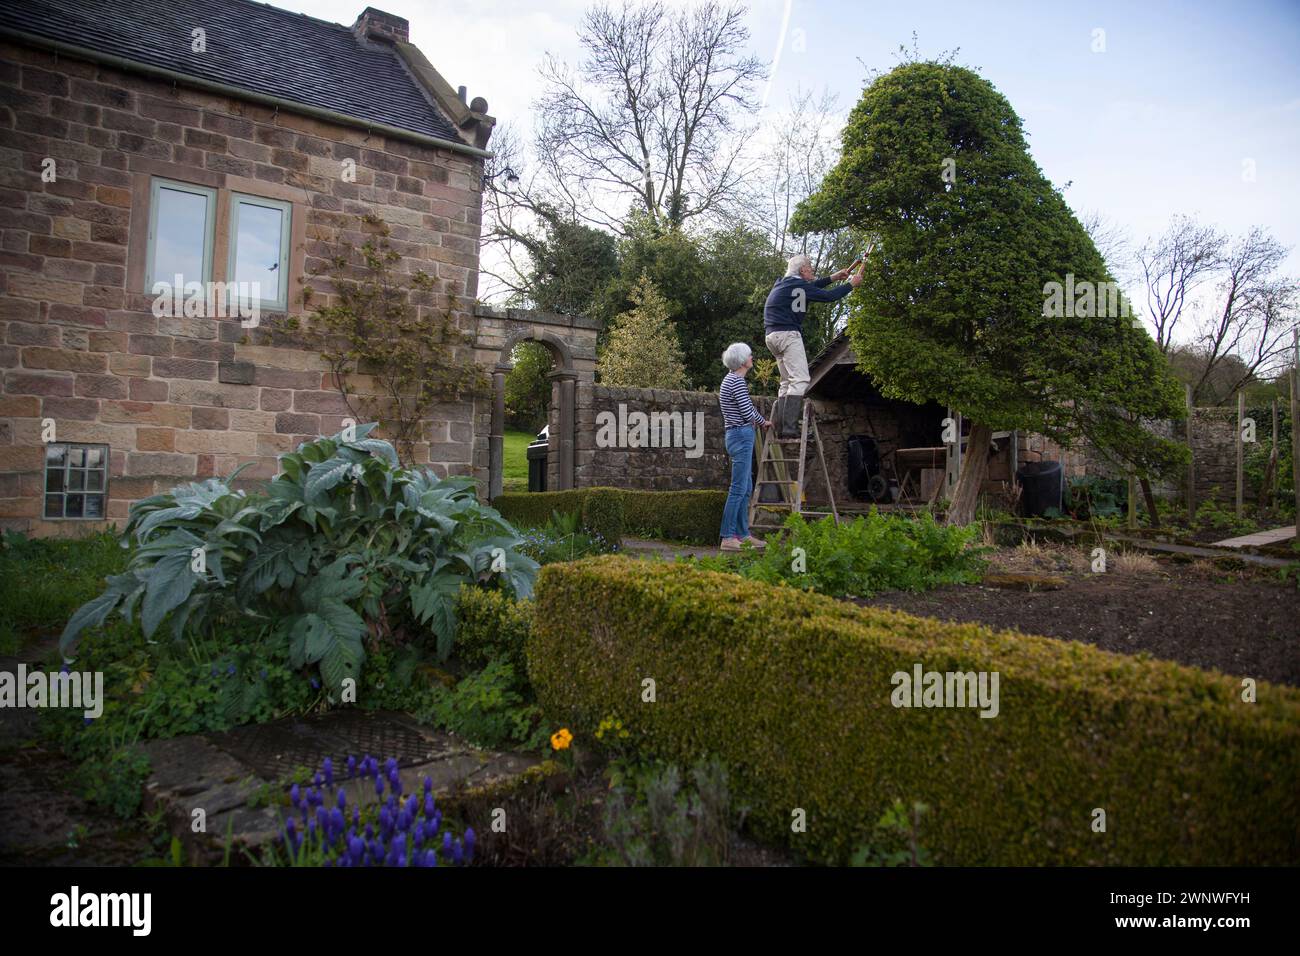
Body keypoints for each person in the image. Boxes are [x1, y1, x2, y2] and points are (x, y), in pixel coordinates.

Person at [763, 253, 863, 436]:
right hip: (788, 334)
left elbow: (810, 287)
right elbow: (829, 296)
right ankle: (790, 429)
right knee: (800, 380)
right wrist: (851, 284)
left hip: (772, 336)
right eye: (810, 268)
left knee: (786, 382)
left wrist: (834, 277)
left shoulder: (782, 283)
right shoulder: (800, 286)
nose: (813, 270)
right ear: (802, 271)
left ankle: (779, 427)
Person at [717, 342, 770, 552]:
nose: (752, 357)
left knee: (746, 487)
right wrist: (764, 422)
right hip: (740, 434)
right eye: (749, 355)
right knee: (738, 488)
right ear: (741, 361)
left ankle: (743, 534)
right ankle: (728, 537)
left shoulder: (731, 380)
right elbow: (748, 412)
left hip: (737, 435)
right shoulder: (736, 381)